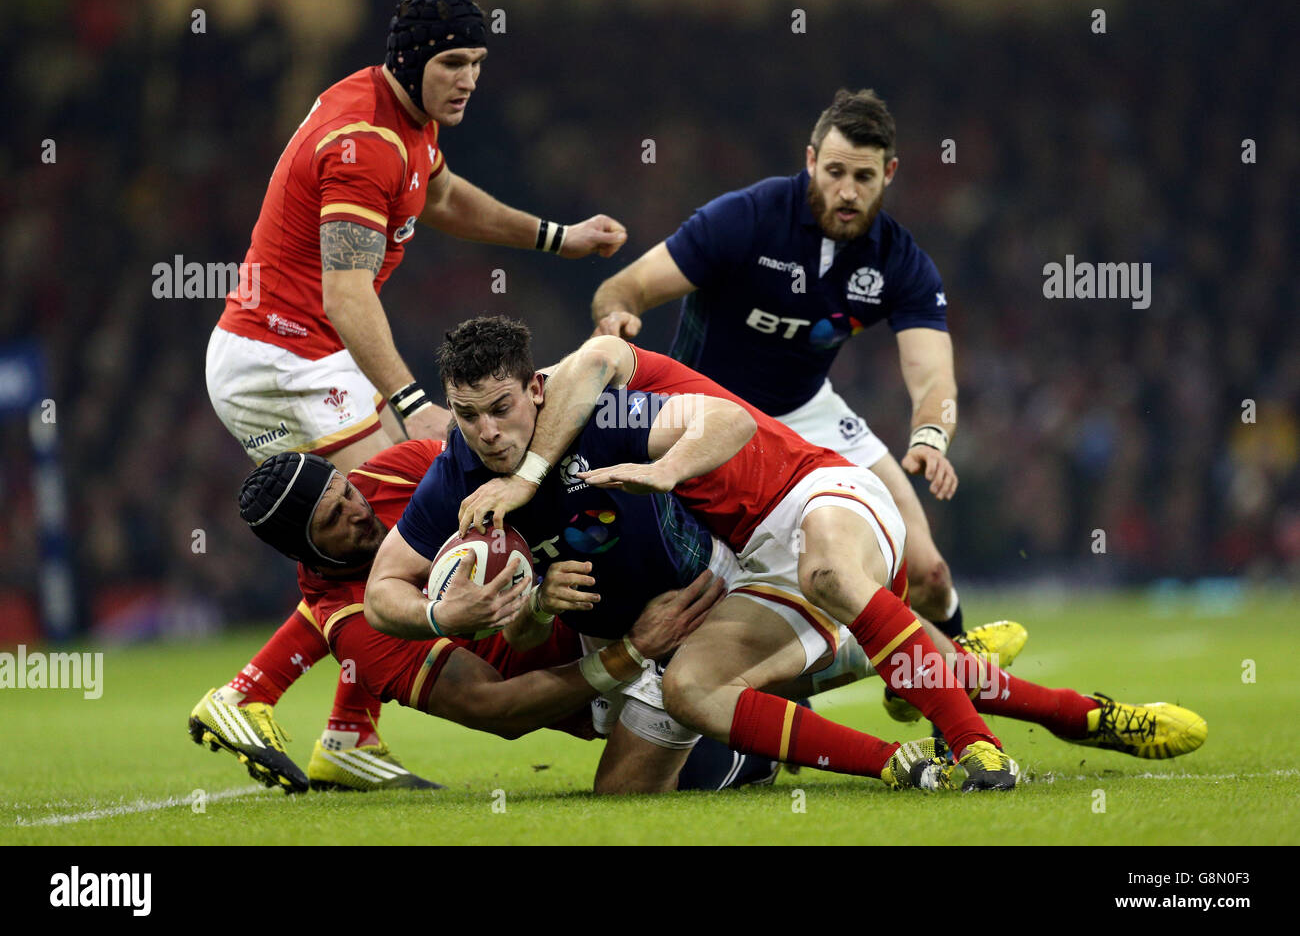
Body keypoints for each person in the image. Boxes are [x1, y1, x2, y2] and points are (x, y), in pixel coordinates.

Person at [191, 0, 628, 792]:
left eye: (477, 63)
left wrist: (555, 237)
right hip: (282, 357)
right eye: (453, 63)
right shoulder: (363, 143)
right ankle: (258, 696)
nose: (467, 79)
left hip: (284, 356)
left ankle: (337, 727)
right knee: (414, 500)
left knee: (371, 538)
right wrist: (405, 401)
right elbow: (345, 293)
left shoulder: (404, 123)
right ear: (411, 61)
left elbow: (446, 194)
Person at [457, 323, 1208, 790]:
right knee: (693, 689)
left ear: (533, 387)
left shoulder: (593, 374)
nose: (492, 430)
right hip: (750, 567)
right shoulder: (491, 463)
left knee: (830, 574)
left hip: (818, 490)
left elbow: (606, 365)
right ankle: (1068, 718)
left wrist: (566, 475)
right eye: (472, 417)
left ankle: (975, 745)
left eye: (503, 408)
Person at [590, 88, 966, 648]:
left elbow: (933, 374)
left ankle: (960, 666)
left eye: (863, 178)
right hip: (705, 419)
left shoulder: (899, 260)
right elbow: (627, 286)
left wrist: (932, 435)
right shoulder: (745, 218)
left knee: (930, 576)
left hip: (807, 411)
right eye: (834, 171)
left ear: (889, 173)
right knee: (716, 597)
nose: (847, 191)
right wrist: (617, 317)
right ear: (810, 160)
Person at [224, 438, 786, 794]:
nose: (360, 512)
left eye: (345, 491)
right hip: (594, 683)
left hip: (610, 582)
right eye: (333, 520)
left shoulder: (392, 476)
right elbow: (499, 709)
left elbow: (499, 460)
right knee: (715, 763)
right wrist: (630, 652)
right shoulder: (357, 626)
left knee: (788, 630)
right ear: (305, 549)